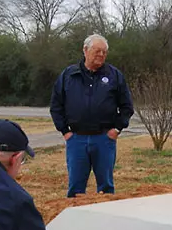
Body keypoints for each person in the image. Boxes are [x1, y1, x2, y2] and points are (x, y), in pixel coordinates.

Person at [50, 34, 134, 197]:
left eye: (104, 52)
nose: (101, 55)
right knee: (75, 188)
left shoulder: (114, 76)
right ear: (85, 50)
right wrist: (65, 132)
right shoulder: (68, 75)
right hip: (76, 140)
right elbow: (56, 106)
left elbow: (126, 106)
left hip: (104, 139)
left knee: (106, 188)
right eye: (97, 51)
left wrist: (116, 129)